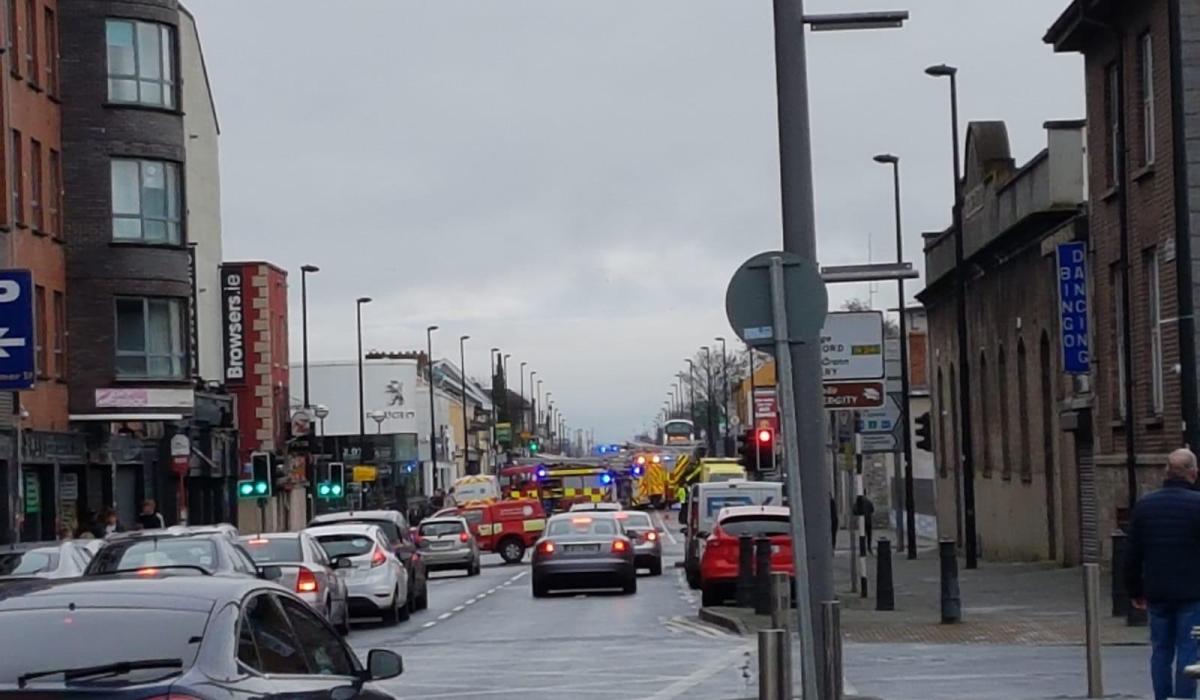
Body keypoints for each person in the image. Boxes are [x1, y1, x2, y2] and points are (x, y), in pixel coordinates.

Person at [1125, 448, 1200, 700]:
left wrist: (1135, 590)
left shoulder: (1145, 506)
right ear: (1193, 472)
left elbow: (1132, 552)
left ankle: (1162, 696)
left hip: (1157, 592)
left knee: (1161, 651)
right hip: (1192, 593)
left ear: (1166, 472)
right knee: (1189, 650)